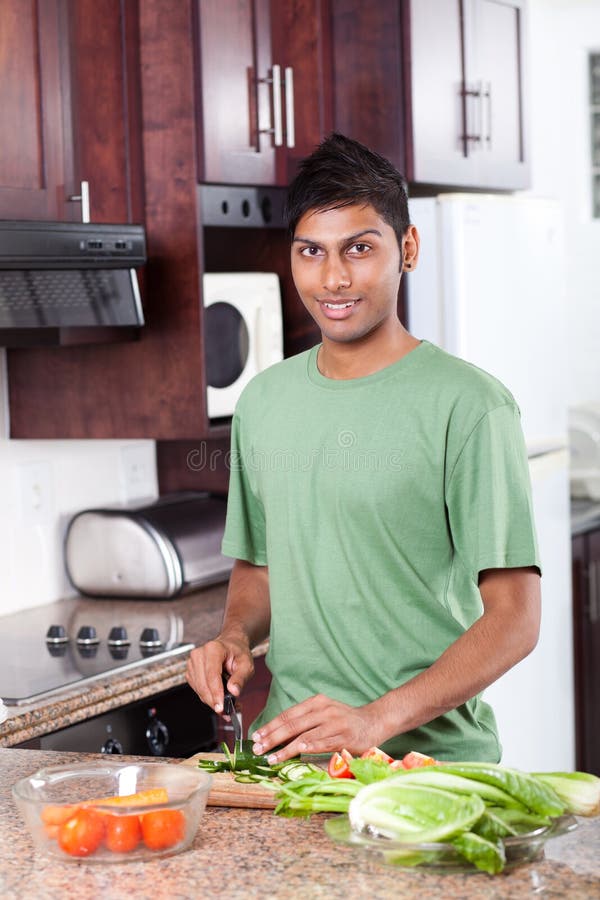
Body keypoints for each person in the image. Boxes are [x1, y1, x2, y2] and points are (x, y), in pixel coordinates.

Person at [186, 133, 541, 764]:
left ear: (407, 249)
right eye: (311, 252)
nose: (334, 278)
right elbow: (261, 566)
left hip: (428, 768)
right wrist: (235, 636)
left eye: (359, 248)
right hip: (294, 764)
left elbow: (514, 619)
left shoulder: (471, 405)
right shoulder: (263, 403)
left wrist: (373, 722)